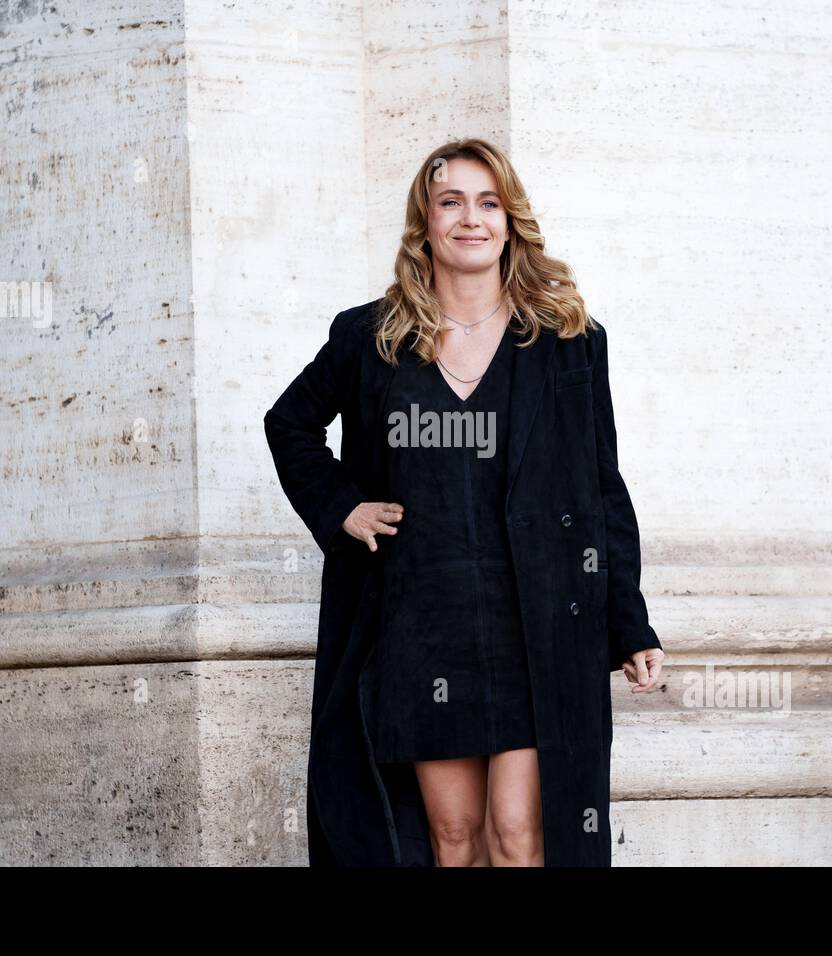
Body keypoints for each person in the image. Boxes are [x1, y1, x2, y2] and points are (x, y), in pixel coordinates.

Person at [264, 138, 665, 866]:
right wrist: (341, 506)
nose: (470, 219)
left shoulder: (568, 339)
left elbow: (602, 486)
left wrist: (628, 621)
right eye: (451, 202)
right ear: (425, 222)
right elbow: (289, 423)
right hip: (421, 623)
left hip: (534, 625)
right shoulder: (371, 336)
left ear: (511, 221)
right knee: (451, 839)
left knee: (518, 833)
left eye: (488, 203)